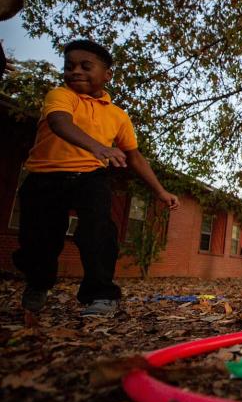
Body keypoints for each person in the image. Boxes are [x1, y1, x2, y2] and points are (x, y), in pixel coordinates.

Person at [14, 40, 180, 317]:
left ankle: (101, 294)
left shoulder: (117, 115)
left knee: (99, 231)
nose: (75, 71)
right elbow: (59, 123)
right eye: (69, 66)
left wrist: (161, 191)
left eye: (85, 66)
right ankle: (38, 283)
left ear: (107, 75)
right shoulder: (61, 96)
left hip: (90, 177)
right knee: (39, 240)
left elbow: (135, 157)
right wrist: (99, 147)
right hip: (45, 177)